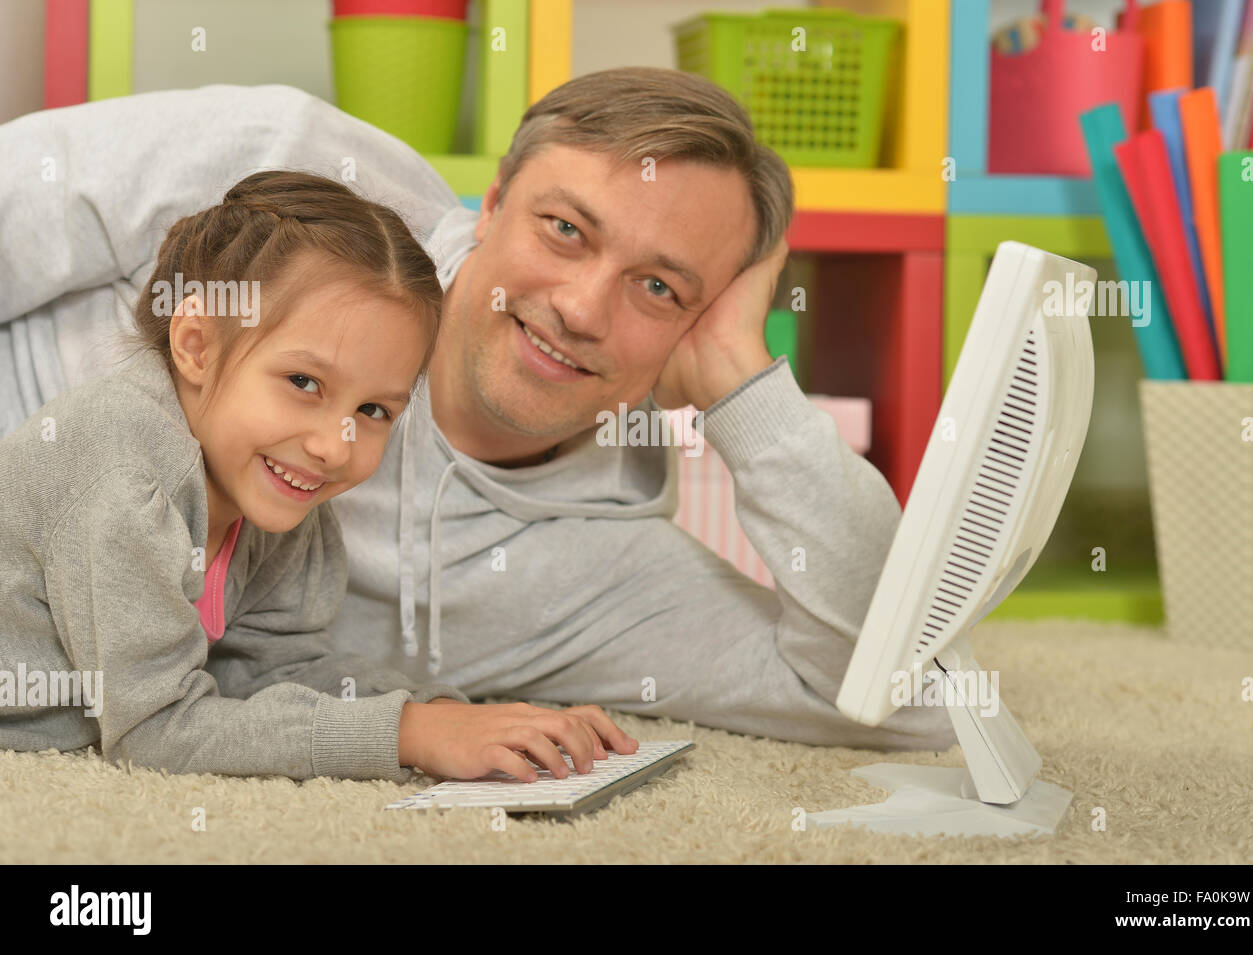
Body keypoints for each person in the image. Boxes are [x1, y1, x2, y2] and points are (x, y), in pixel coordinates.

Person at [0, 69, 954, 751]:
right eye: (565, 229)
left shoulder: (607, 575)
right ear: (492, 203)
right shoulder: (291, 161)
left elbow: (902, 694)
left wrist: (745, 384)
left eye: (660, 289)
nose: (581, 307)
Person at [0, 170, 637, 781]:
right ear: (196, 344)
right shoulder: (126, 477)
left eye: (373, 410)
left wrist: (450, 717)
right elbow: (157, 728)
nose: (336, 446)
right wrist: (405, 736)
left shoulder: (279, 491)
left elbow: (275, 667)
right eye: (304, 383)